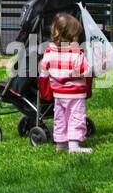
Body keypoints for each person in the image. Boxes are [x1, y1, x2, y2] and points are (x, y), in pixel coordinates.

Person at [40, 12, 94, 153]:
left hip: (58, 93)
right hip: (75, 94)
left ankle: (61, 144)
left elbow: (43, 72)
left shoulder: (49, 53)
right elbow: (86, 71)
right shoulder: (76, 54)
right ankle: (74, 147)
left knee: (60, 118)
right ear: (72, 36)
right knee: (76, 117)